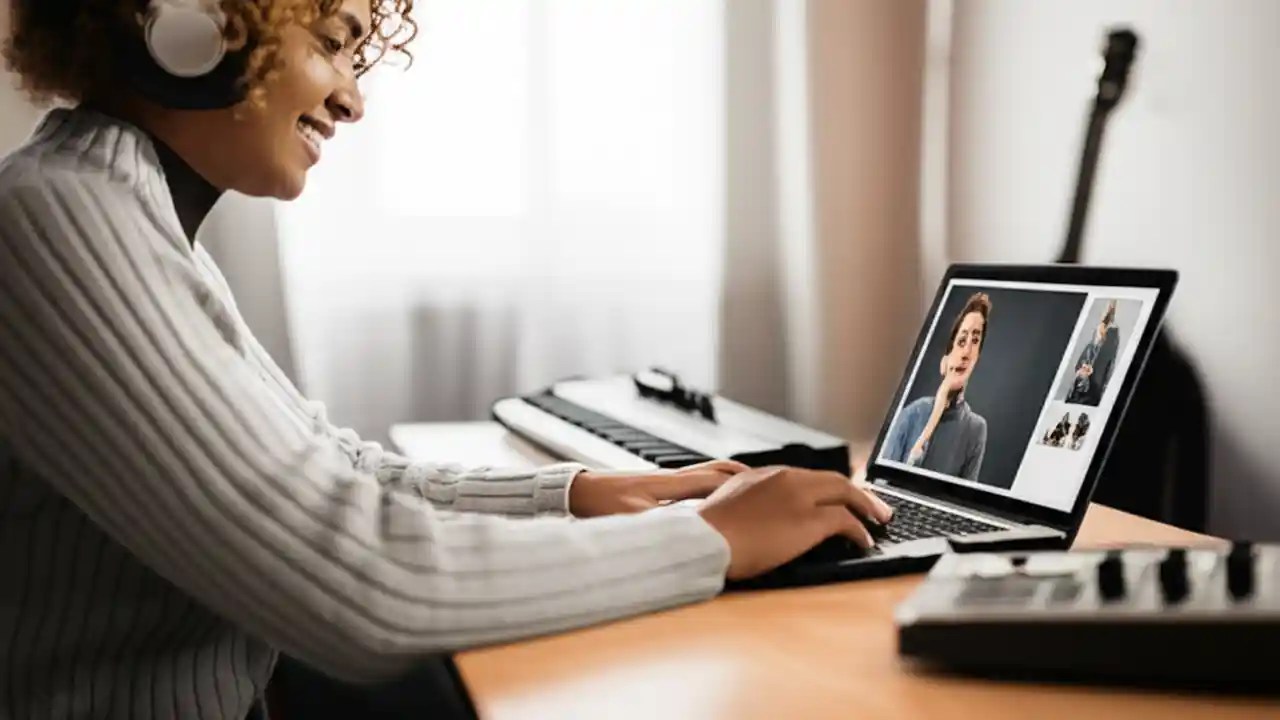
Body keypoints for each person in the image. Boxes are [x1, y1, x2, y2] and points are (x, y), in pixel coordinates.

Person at [0, 2, 893, 718]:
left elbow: (334, 470)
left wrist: (581, 496)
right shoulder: (62, 222)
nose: (352, 99)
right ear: (189, 26)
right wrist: (709, 540)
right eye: (331, 44)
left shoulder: (135, 220)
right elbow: (363, 585)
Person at [883, 292, 990, 481]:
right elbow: (886, 483)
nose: (966, 352)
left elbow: (963, 500)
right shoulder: (912, 413)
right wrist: (937, 409)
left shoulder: (976, 429)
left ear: (977, 359)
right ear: (944, 362)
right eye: (961, 341)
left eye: (975, 341)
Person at [1066, 300, 1120, 406]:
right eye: (1098, 331)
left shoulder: (1108, 347)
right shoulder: (1091, 346)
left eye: (1101, 331)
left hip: (1093, 391)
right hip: (1081, 389)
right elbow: (1079, 365)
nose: (1099, 333)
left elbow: (1106, 369)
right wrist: (1081, 370)